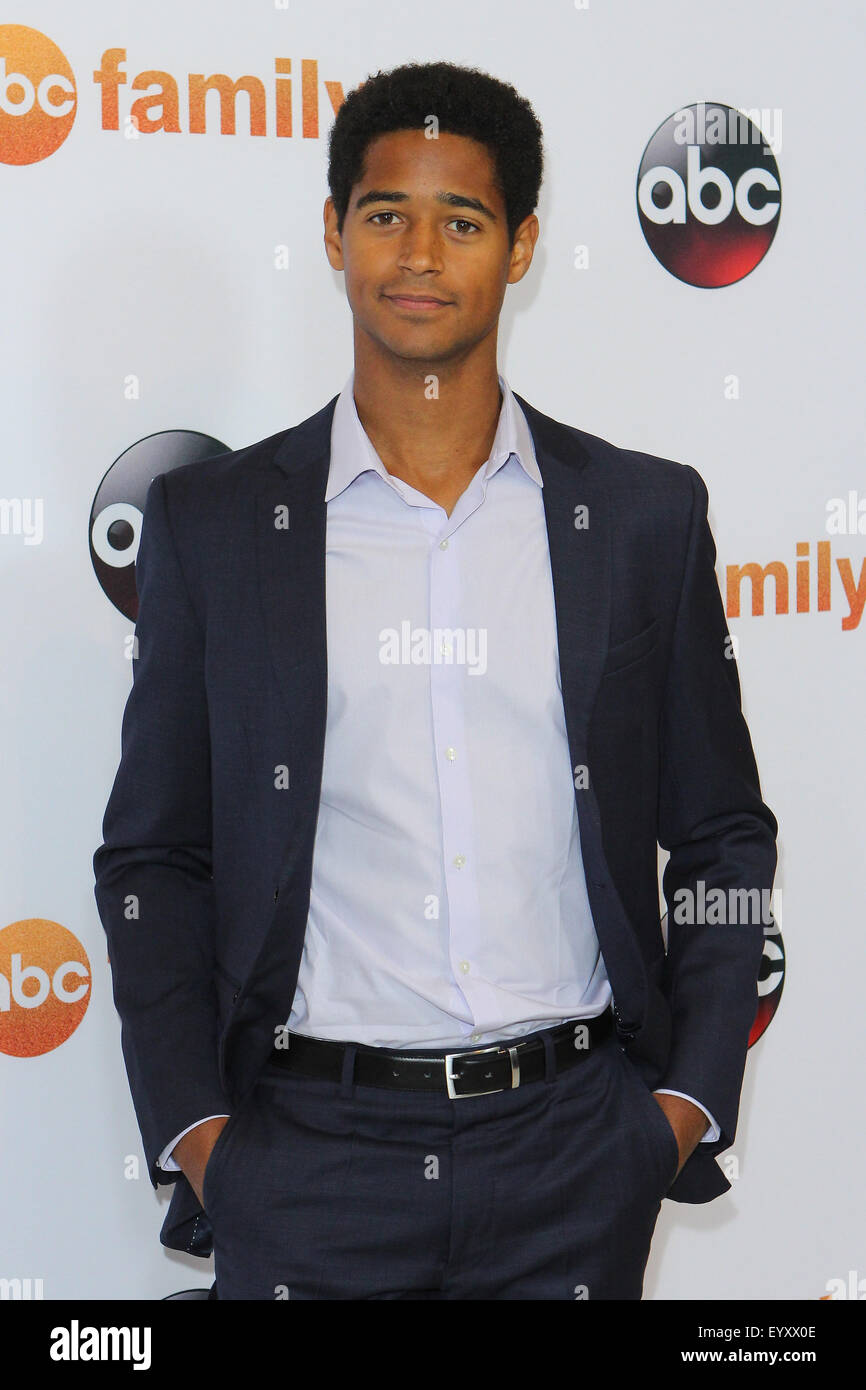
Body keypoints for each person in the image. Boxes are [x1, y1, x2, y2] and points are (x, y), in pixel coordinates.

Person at [93, 60, 778, 1300]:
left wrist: (680, 1103)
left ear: (518, 247)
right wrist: (201, 1136)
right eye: (384, 214)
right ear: (332, 233)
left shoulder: (640, 518)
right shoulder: (215, 525)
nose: (418, 252)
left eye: (460, 221)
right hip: (306, 1158)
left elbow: (724, 839)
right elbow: (153, 858)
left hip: (575, 1152)